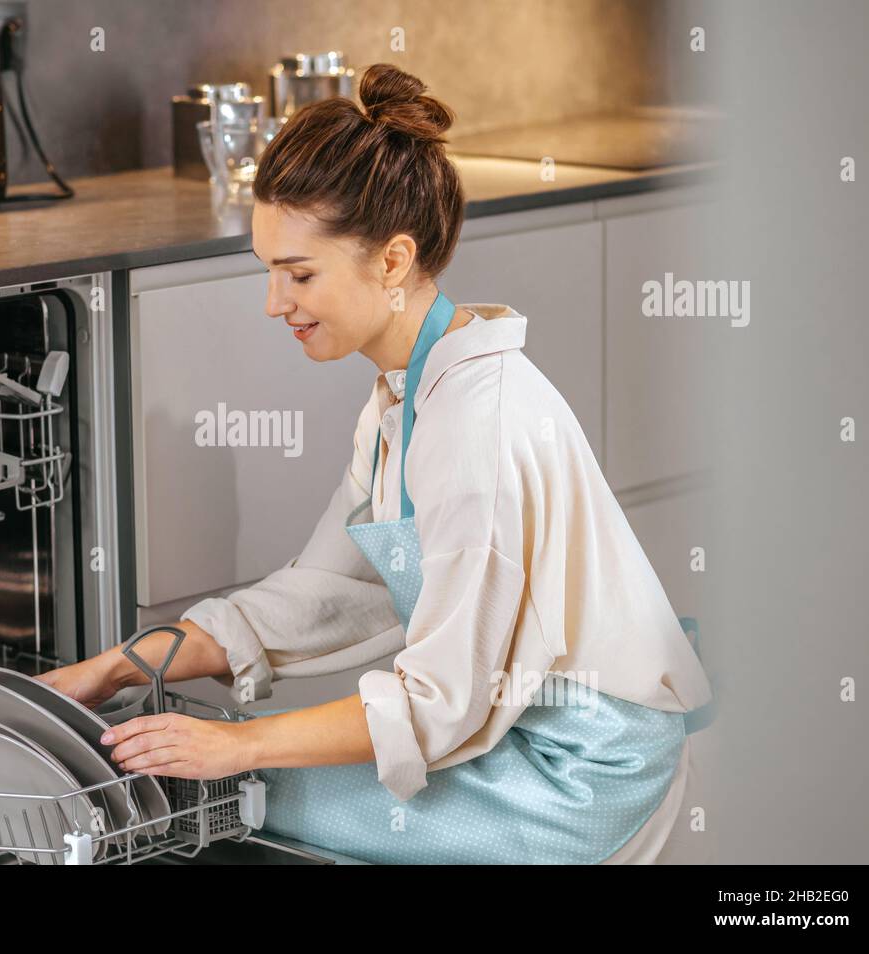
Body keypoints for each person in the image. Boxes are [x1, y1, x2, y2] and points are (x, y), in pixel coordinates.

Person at [37, 63, 712, 864]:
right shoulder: (406, 396)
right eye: (268, 271)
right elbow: (324, 593)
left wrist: (236, 748)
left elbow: (438, 705)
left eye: (299, 274)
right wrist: (111, 669)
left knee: (237, 784)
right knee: (233, 774)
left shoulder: (476, 432)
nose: (273, 303)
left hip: (584, 780)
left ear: (393, 261)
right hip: (511, 735)